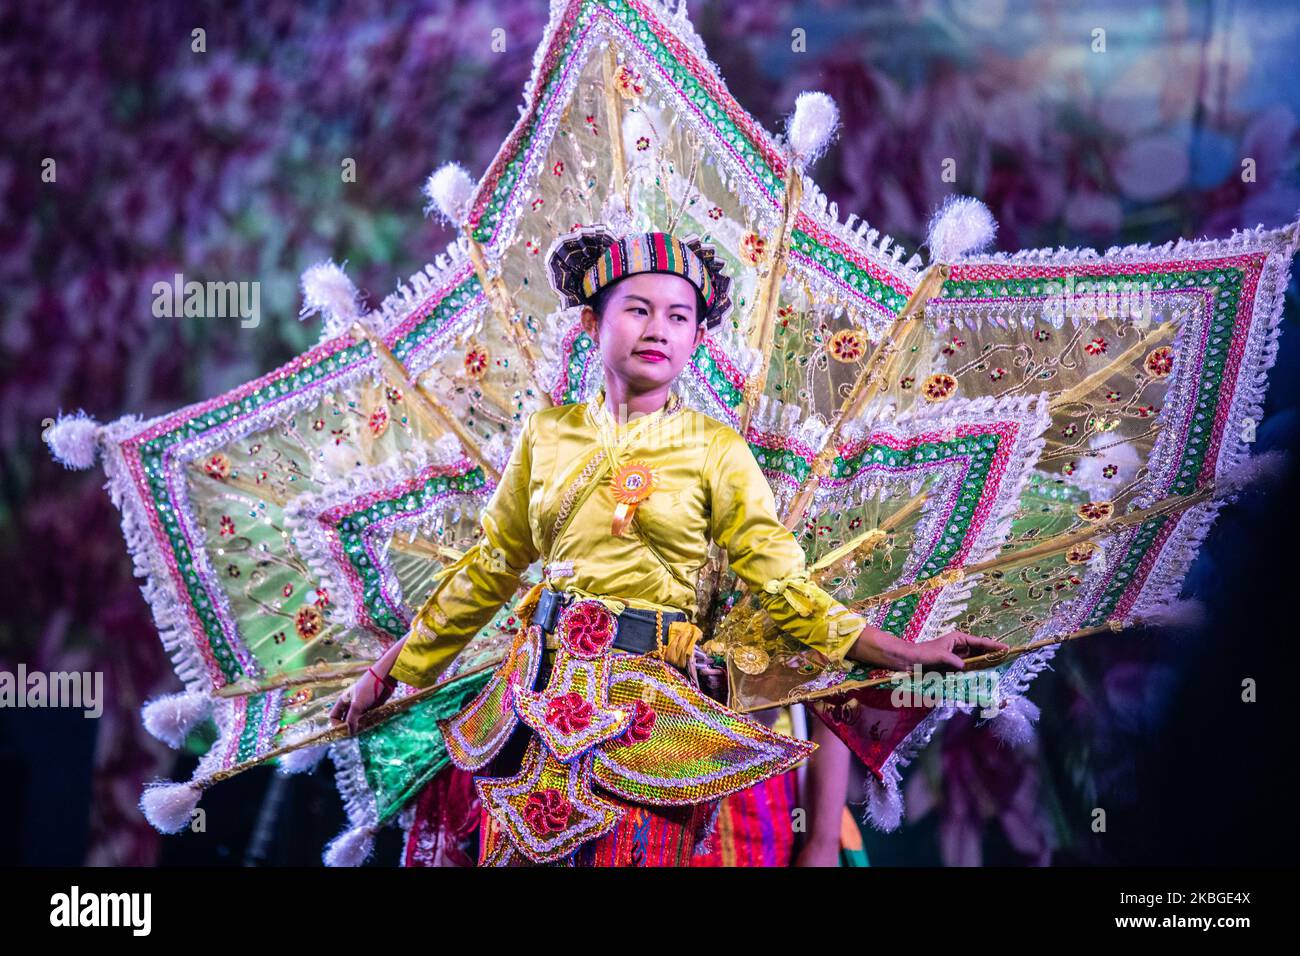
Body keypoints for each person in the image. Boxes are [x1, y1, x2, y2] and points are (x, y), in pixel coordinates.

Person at [330, 227, 1006, 865]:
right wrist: (387, 673)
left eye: (679, 317)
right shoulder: (547, 436)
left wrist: (909, 654)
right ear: (591, 323)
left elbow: (786, 592)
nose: (658, 330)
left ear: (697, 339)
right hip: (535, 702)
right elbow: (489, 570)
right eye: (638, 310)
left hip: (647, 717)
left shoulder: (716, 451)